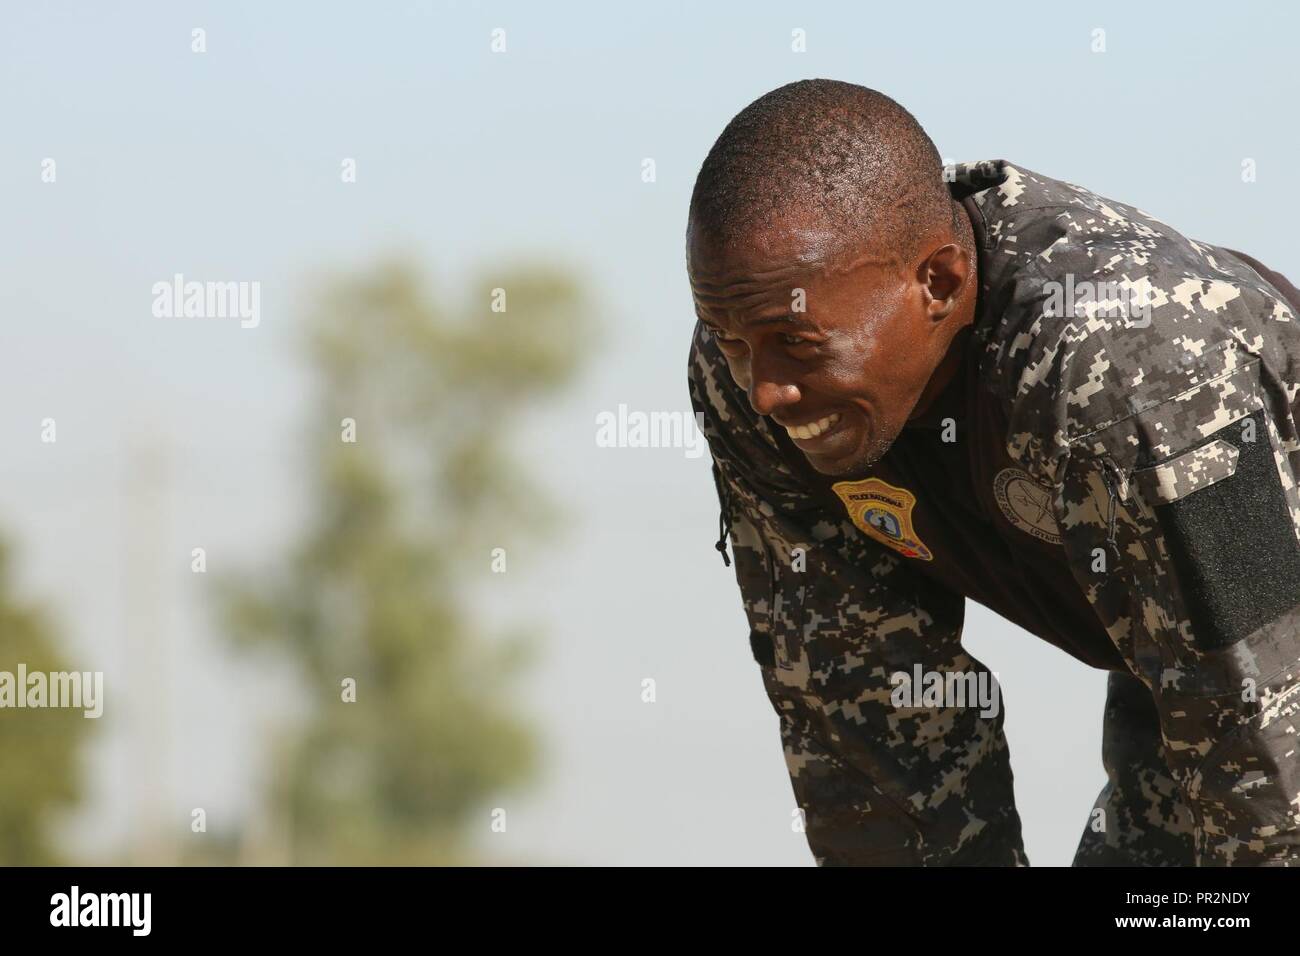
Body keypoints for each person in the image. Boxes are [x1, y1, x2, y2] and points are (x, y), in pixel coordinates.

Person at [685, 78, 1300, 865]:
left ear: (937, 283)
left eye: (798, 343)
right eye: (732, 341)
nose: (766, 391)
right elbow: (870, 741)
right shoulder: (752, 383)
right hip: (1207, 681)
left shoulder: (1129, 363)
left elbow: (1264, 744)